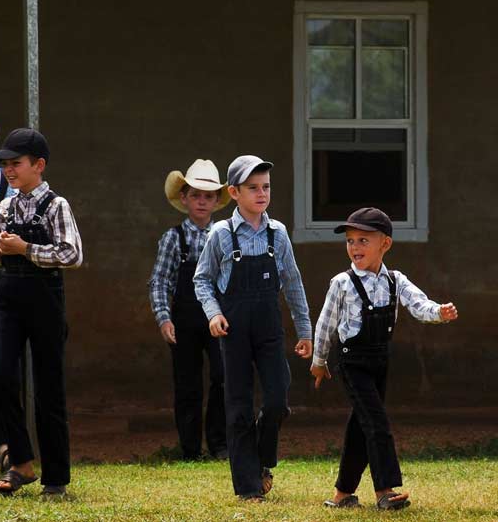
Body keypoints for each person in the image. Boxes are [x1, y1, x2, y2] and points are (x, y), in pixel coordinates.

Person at [310, 207, 458, 510]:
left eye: (363, 240)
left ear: (385, 244)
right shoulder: (342, 283)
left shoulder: (395, 280)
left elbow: (419, 304)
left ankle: (342, 495)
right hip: (352, 363)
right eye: (350, 241)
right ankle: (385, 491)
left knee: (361, 426)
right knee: (377, 423)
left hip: (379, 362)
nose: (355, 247)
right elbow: (326, 323)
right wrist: (319, 360)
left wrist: (439, 313)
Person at [194, 155, 313, 501]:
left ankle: (261, 457)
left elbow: (293, 282)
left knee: (277, 398)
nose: (262, 194)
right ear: (234, 192)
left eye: (266, 187)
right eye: (253, 188)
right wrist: (213, 314)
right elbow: (202, 280)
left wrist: (305, 330)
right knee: (239, 405)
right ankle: (248, 488)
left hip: (268, 326)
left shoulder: (278, 234)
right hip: (233, 329)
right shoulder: (220, 234)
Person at [0, 129, 84, 498]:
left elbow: (72, 254)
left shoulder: (57, 205)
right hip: (9, 295)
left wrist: (25, 248)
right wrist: (1, 251)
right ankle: (22, 461)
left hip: (45, 299)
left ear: (38, 165)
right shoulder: (5, 207)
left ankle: (55, 478)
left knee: (48, 389)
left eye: (16, 163)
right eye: (5, 164)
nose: (9, 170)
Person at [147, 159, 231, 460]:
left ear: (217, 201)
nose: (202, 201)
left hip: (218, 317)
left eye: (208, 196)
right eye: (195, 195)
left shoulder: (224, 236)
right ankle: (191, 448)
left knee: (224, 376)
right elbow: (160, 280)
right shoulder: (173, 238)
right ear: (184, 198)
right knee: (188, 384)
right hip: (184, 318)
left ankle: (220, 443)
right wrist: (163, 318)